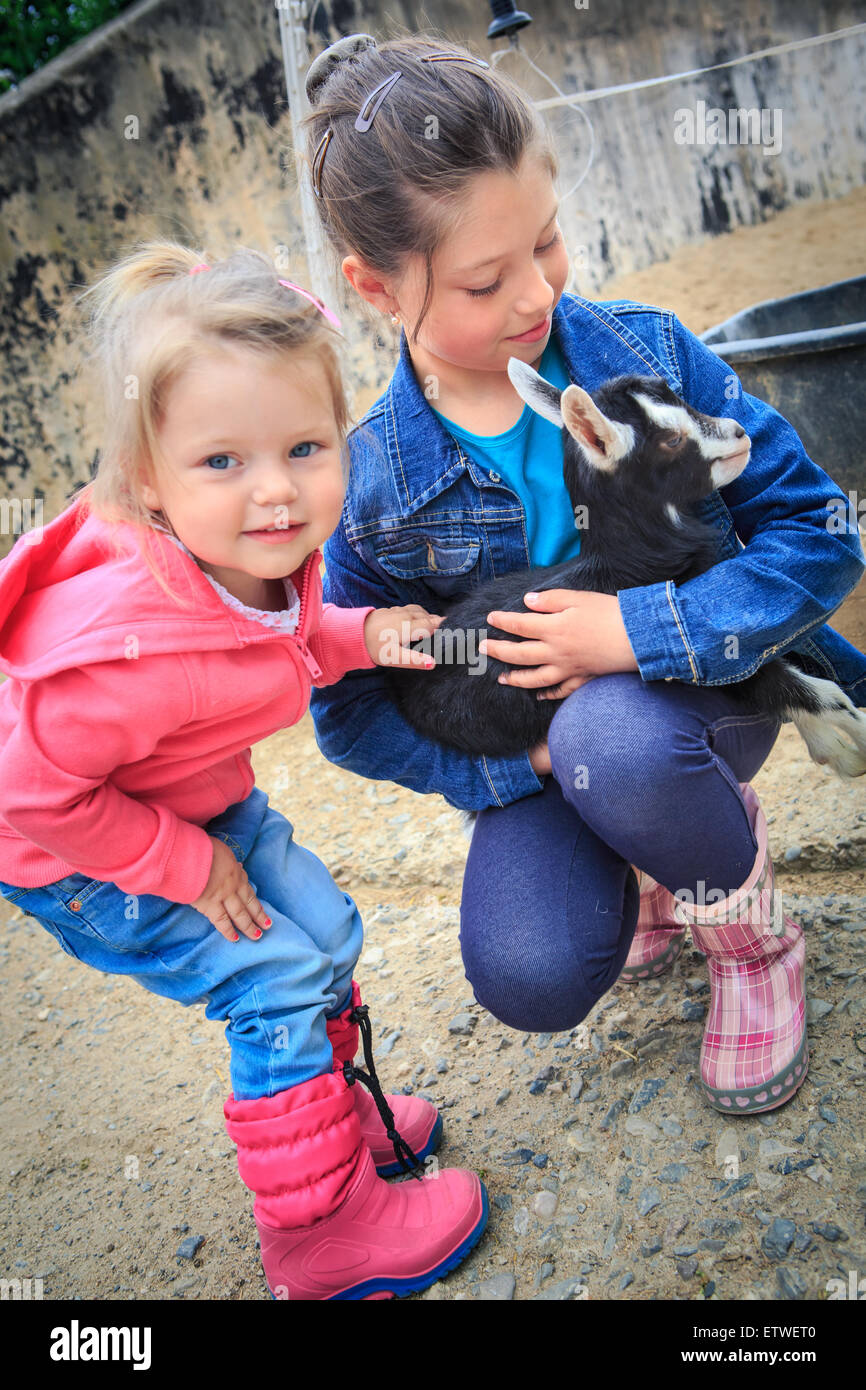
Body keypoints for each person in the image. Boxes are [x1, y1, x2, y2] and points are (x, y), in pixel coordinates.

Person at [303, 32, 866, 1116]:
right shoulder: (367, 480)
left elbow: (815, 529)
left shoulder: (648, 356)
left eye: (547, 244)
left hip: (694, 700)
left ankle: (750, 946)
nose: (534, 296)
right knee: (530, 969)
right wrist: (520, 760)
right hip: (545, 758)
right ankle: (641, 851)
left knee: (618, 733)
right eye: (482, 280)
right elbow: (351, 711)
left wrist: (640, 633)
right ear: (375, 286)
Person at [0, 241, 488, 1301]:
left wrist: (373, 634)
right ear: (147, 482)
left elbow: (284, 640)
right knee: (269, 980)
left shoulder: (252, 564)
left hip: (195, 804)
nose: (273, 492)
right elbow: (33, 793)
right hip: (77, 855)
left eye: (304, 447)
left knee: (324, 929)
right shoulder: (123, 653)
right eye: (222, 462)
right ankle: (318, 1228)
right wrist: (181, 865)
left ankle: (325, 1120)